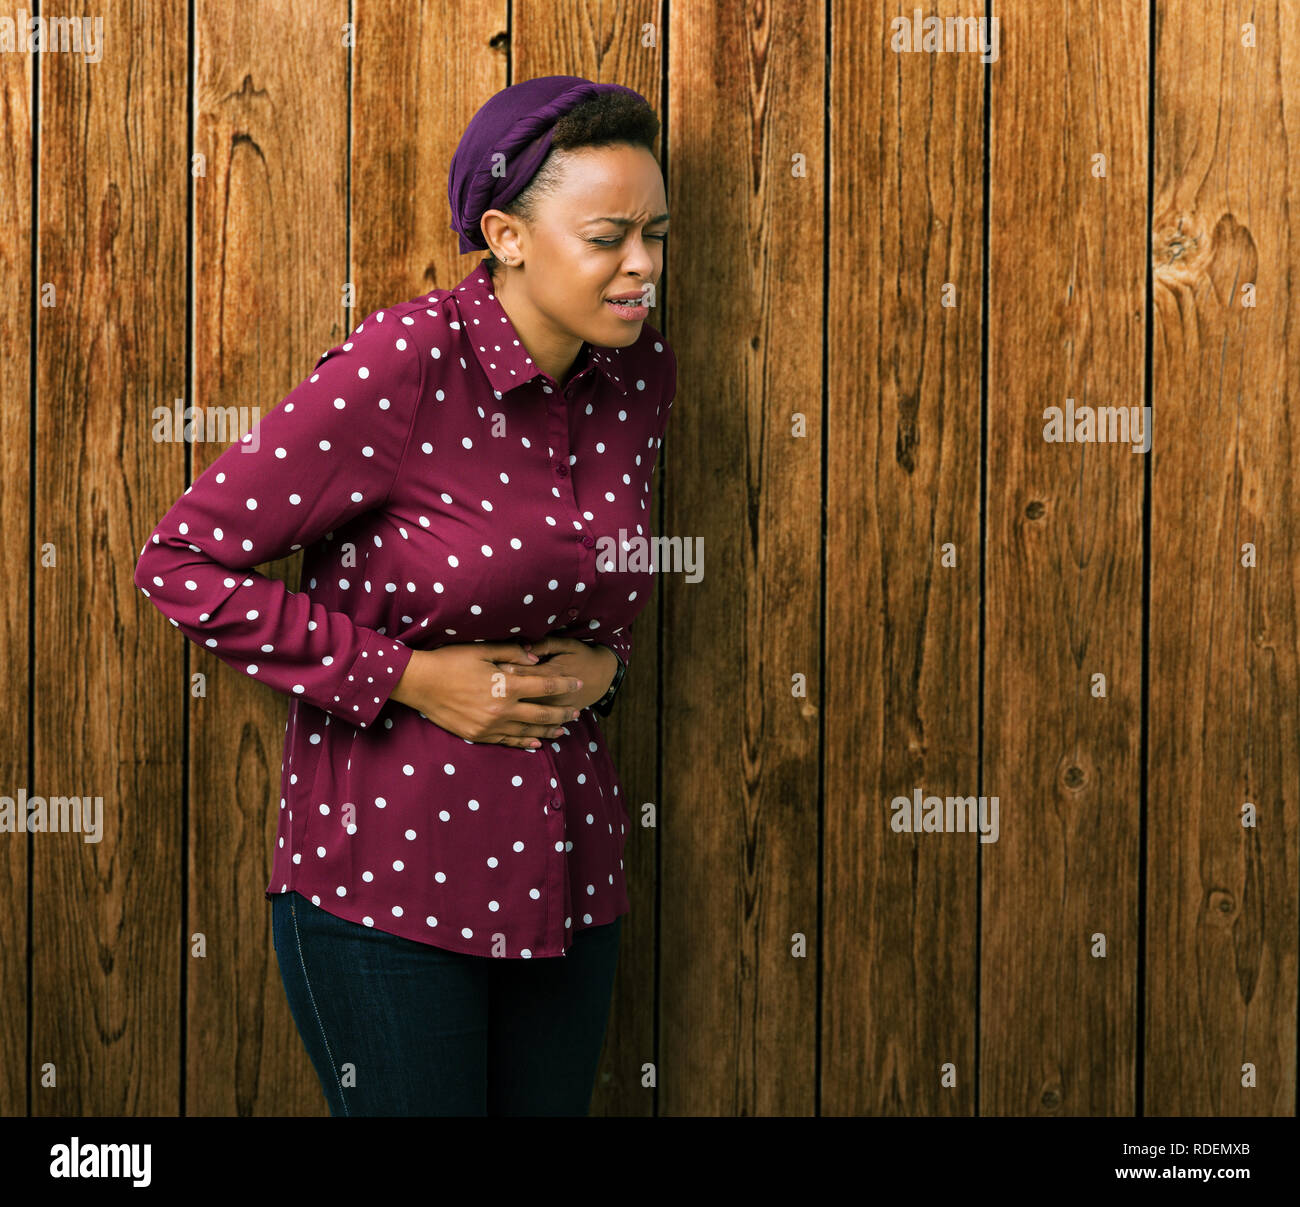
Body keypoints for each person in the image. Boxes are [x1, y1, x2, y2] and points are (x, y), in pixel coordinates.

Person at [133, 75, 676, 1116]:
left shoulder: (638, 372)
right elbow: (181, 562)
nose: (643, 266)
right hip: (387, 887)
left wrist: (605, 660)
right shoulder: (409, 362)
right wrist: (411, 677)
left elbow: (604, 573)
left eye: (655, 232)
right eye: (609, 236)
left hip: (572, 876)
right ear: (506, 235)